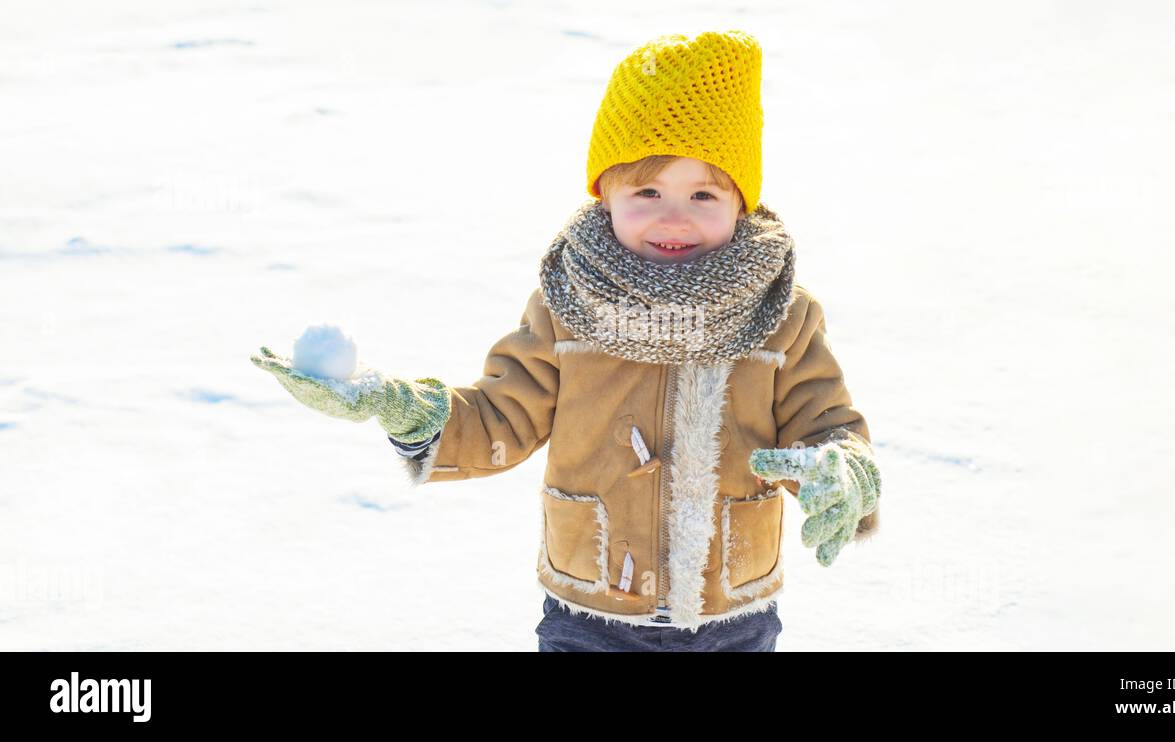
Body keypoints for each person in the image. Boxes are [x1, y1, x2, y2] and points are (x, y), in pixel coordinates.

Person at [251, 29, 881, 652]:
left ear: (742, 203)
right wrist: (404, 408)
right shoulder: (569, 304)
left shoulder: (780, 312)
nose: (674, 216)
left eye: (704, 193)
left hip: (731, 615)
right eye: (647, 191)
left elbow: (825, 421)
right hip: (590, 608)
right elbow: (504, 415)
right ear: (604, 194)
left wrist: (841, 470)